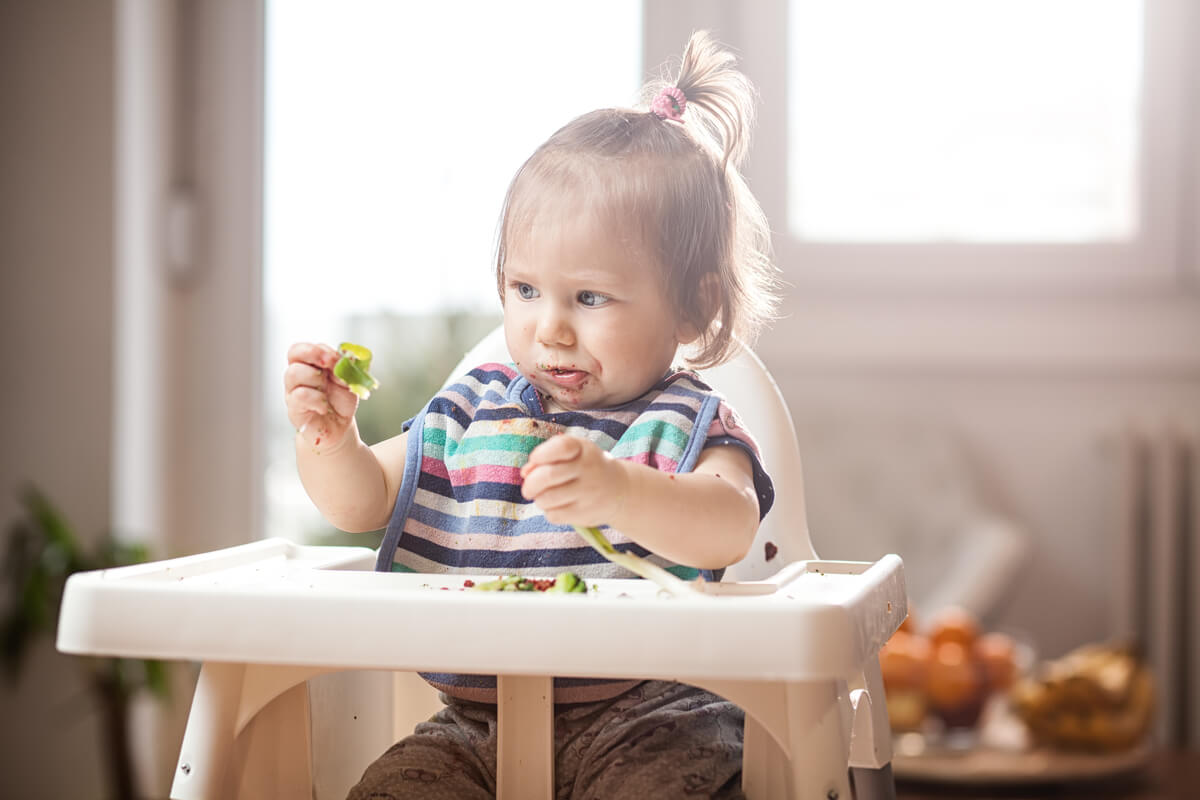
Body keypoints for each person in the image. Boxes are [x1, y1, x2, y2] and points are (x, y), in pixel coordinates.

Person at [284, 31, 780, 800]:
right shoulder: (471, 412)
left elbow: (730, 522)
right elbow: (360, 502)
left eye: (588, 298)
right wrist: (329, 437)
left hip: (652, 717)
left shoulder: (687, 423)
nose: (550, 328)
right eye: (524, 291)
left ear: (694, 305)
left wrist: (620, 491)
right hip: (471, 728)